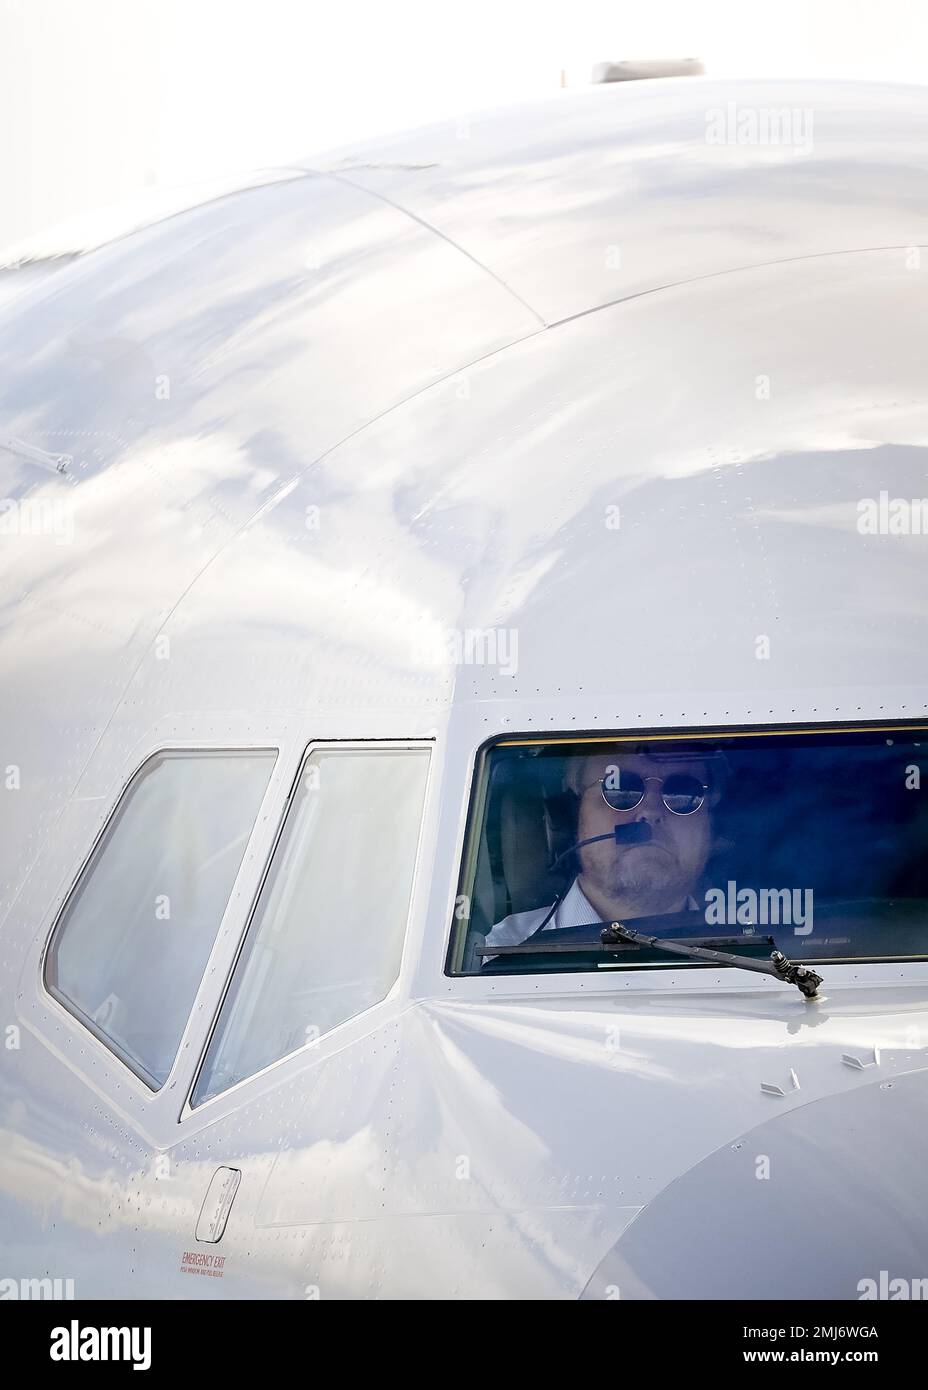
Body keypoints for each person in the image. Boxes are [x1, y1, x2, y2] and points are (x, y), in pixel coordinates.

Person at [483, 747, 723, 953]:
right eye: (618, 789)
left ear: (711, 828)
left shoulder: (750, 946)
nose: (650, 812)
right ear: (571, 818)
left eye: (683, 794)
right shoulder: (506, 952)